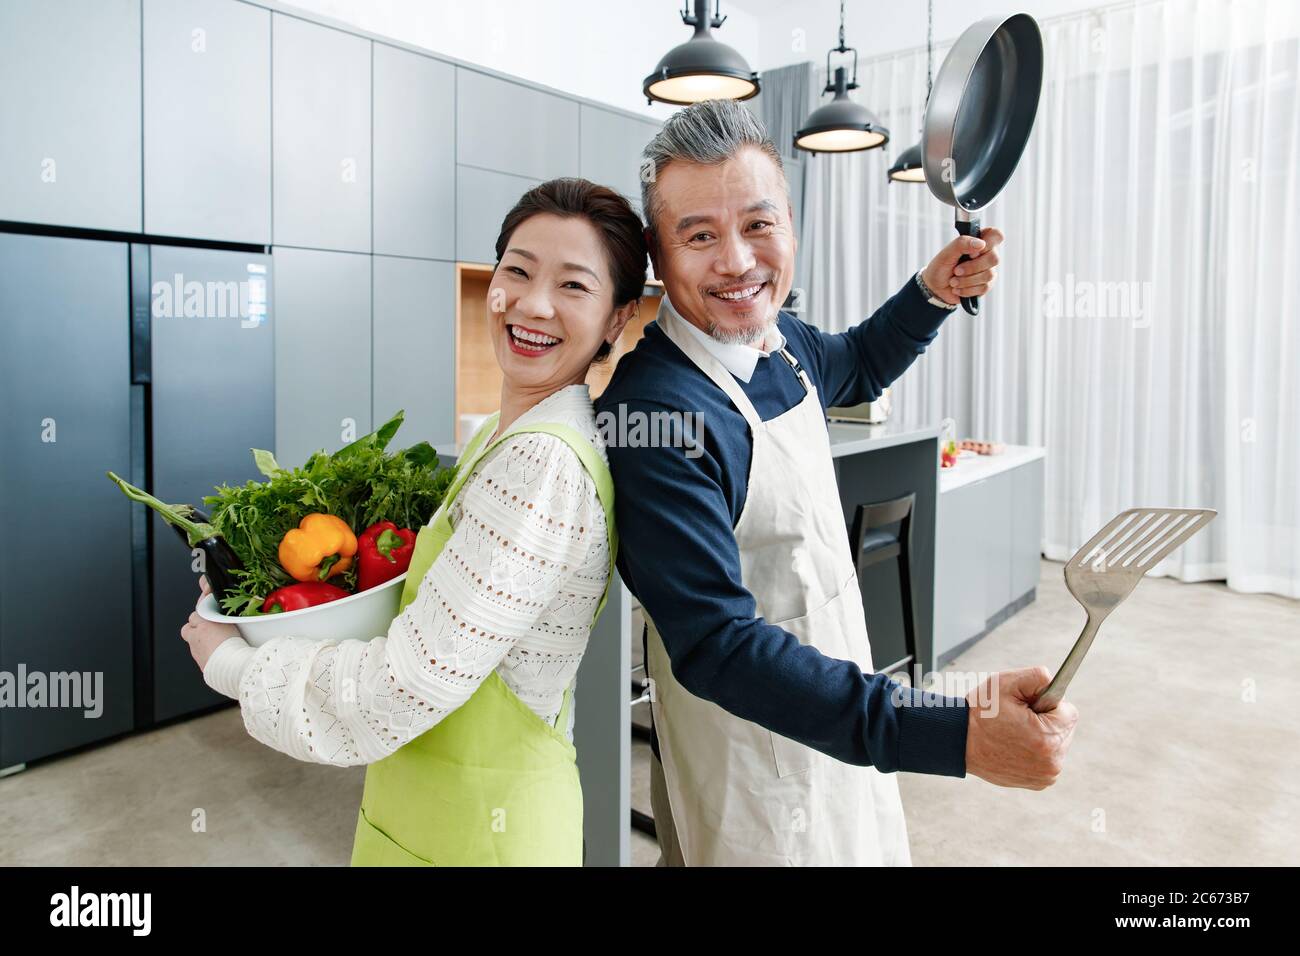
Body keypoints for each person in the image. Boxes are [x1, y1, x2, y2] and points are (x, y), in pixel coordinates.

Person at [597, 99, 1080, 866]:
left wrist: (931, 292)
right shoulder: (656, 413)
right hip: (747, 754)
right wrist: (955, 734)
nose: (736, 261)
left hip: (841, 703)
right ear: (658, 254)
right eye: (699, 236)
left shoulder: (779, 339)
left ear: (791, 224)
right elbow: (718, 645)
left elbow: (854, 361)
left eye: (758, 225)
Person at [181, 178, 646, 866]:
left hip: (483, 838)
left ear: (616, 318)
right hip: (428, 816)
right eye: (516, 270)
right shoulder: (501, 434)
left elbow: (404, 686)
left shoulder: (541, 466)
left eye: (574, 286)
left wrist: (232, 663)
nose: (533, 303)